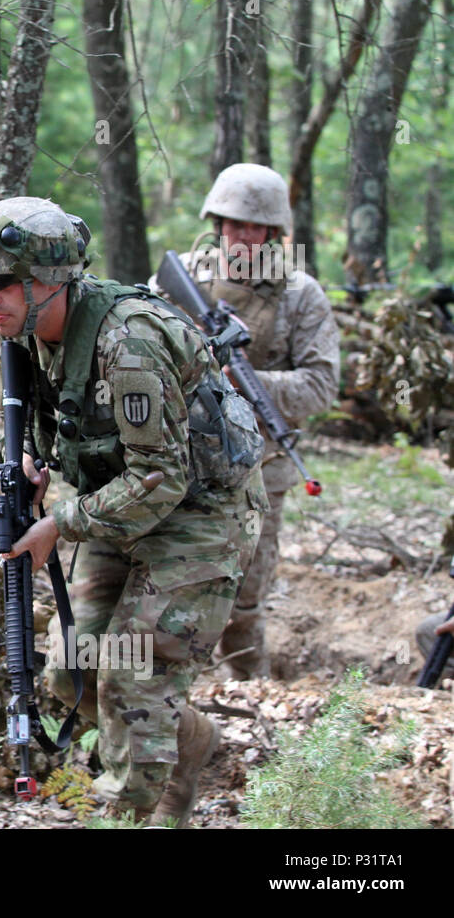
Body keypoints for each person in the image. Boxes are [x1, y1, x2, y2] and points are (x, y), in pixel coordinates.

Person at [0, 196, 267, 826]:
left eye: (2, 283)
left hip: (200, 512)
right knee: (74, 667)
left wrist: (60, 524)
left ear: (50, 283)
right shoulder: (19, 336)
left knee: (135, 675)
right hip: (120, 501)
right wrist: (27, 461)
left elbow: (162, 476)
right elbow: (29, 426)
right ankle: (187, 739)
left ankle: (131, 814)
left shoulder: (129, 342)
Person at [159, 163, 340, 679]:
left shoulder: (300, 294)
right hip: (180, 461)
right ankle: (176, 697)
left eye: (256, 228)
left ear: (275, 233)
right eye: (235, 225)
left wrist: (244, 380)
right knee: (172, 591)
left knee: (244, 597)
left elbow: (321, 386)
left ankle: (251, 690)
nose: (244, 237)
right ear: (217, 223)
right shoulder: (179, 280)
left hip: (261, 466)